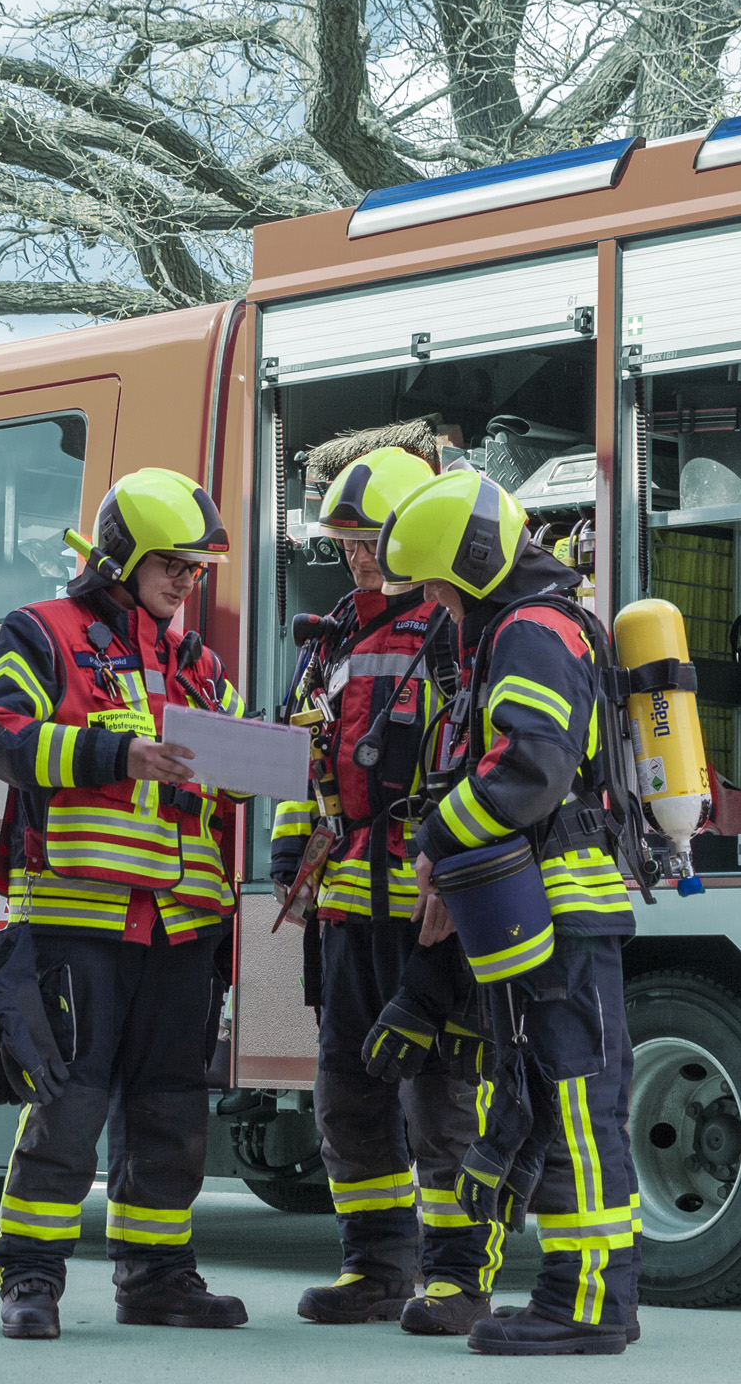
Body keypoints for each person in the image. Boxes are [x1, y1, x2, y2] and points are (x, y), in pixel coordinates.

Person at [0, 467, 251, 1341]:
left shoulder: (201, 664)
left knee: (170, 1109)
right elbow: (0, 732)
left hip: (184, 926)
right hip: (80, 918)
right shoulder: (42, 632)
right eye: (174, 565)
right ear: (123, 557)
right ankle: (31, 1281)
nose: (186, 584)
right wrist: (116, 756)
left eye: (196, 572)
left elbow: (235, 762)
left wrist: (260, 767)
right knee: (70, 1101)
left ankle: (159, 1280)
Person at [377, 468, 640, 1358]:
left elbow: (531, 766)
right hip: (548, 908)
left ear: (478, 566)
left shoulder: (527, 631)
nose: (442, 607)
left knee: (573, 1102)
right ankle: (576, 1295)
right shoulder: (539, 622)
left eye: (445, 588)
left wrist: (437, 844)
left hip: (556, 909)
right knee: (555, 1097)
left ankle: (589, 1303)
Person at [271, 446, 496, 1335]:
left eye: (371, 540)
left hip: (424, 910)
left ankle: (456, 1279)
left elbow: (474, 763)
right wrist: (292, 860)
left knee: (440, 1097)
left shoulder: (451, 639)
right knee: (347, 1094)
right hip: (342, 908)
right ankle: (375, 1268)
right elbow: (306, 768)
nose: (357, 557)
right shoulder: (333, 640)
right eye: (346, 543)